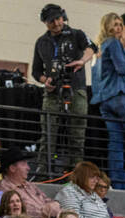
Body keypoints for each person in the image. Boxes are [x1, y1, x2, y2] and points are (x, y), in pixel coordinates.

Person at [33, 4, 96, 170]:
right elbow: (36, 71)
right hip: (52, 92)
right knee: (48, 135)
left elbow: (92, 48)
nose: (56, 23)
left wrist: (82, 61)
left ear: (63, 17)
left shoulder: (77, 34)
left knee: (77, 135)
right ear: (45, 22)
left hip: (76, 89)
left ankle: (76, 175)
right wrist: (45, 80)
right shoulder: (41, 42)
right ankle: (43, 173)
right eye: (51, 21)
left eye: (58, 18)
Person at [94, 13, 125, 192]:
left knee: (116, 142)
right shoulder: (114, 43)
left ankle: (119, 184)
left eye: (120, 24)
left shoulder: (100, 47)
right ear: (107, 27)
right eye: (115, 24)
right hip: (123, 95)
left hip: (105, 99)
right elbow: (122, 68)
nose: (119, 28)